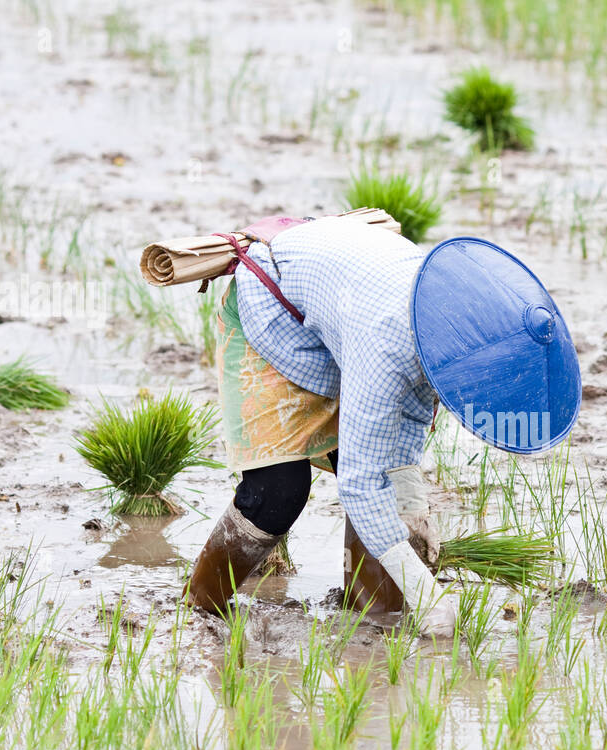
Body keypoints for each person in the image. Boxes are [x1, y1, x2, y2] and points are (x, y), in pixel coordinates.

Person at [184, 217, 581, 637]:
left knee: (384, 487)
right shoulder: (391, 344)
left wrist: (409, 506)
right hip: (273, 305)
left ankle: (374, 627)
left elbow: (406, 424)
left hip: (346, 311)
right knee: (280, 490)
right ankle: (199, 607)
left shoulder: (465, 334)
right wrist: (426, 594)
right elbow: (360, 481)